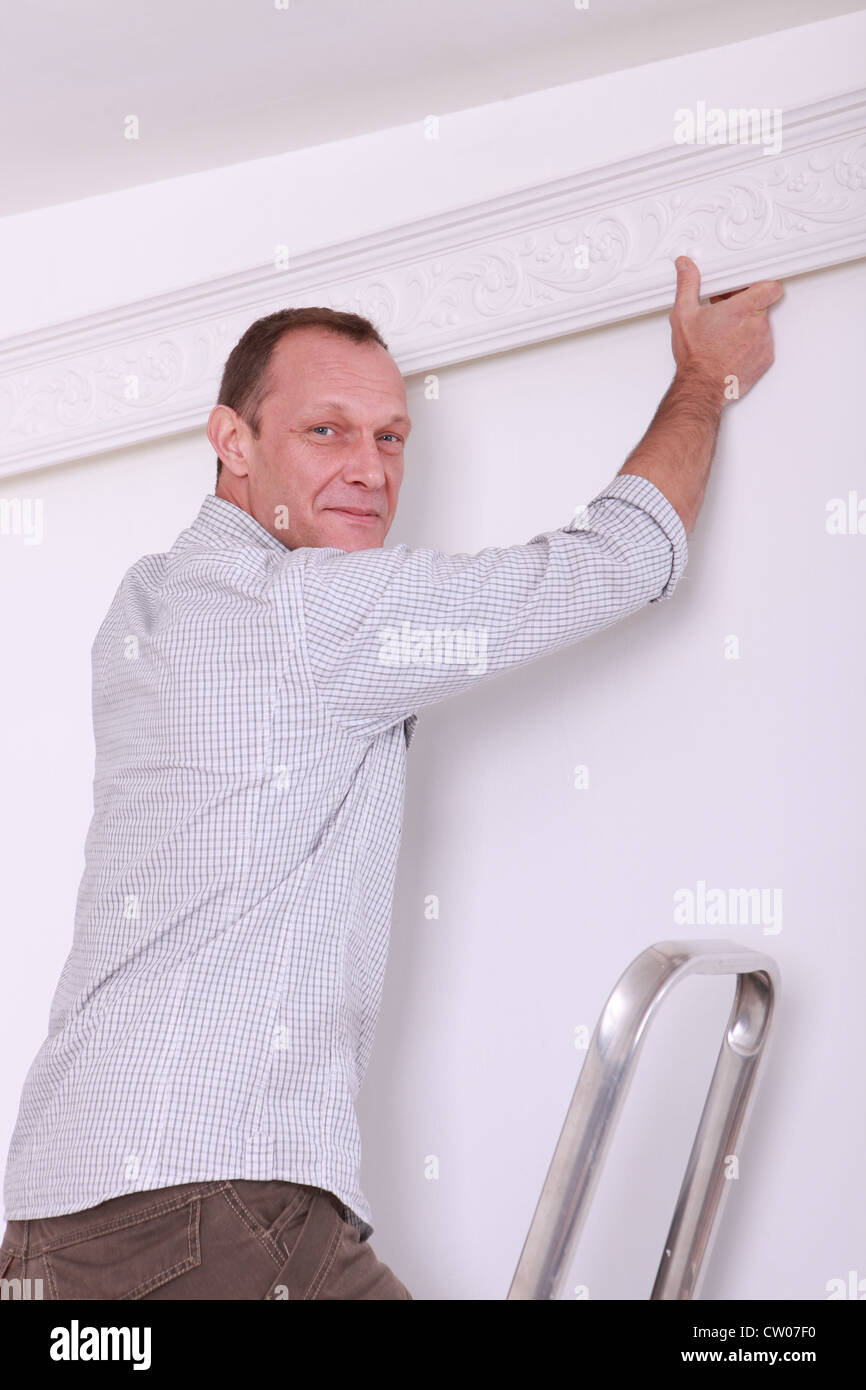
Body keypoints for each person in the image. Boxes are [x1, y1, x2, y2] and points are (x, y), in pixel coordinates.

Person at [0, 256, 782, 1300]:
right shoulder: (308, 609)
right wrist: (699, 382)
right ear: (233, 442)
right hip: (207, 1202)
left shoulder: (146, 603)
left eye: (391, 437)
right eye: (326, 431)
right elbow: (616, 562)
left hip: (54, 1231)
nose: (369, 468)